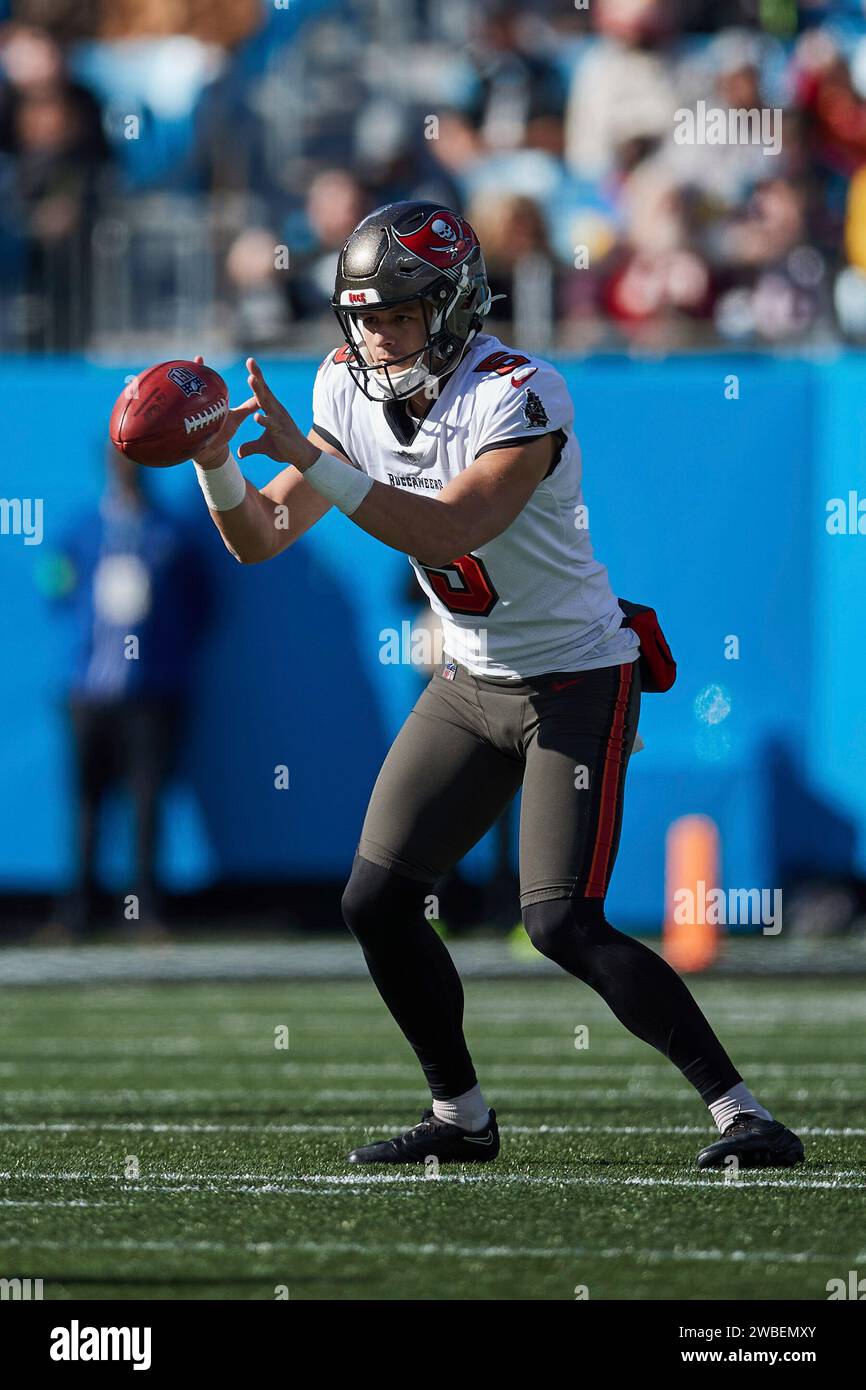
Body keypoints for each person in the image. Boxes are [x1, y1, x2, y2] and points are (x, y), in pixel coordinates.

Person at [188, 200, 804, 1171]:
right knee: (375, 899)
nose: (375, 336)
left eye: (397, 313)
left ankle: (742, 1113)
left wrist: (307, 455)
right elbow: (261, 538)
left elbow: (447, 532)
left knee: (558, 920)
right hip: (468, 677)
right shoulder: (346, 387)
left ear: (455, 305)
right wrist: (218, 465)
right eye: (363, 315)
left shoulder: (520, 391)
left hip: (572, 678)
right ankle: (460, 1115)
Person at [49, 445, 211, 936]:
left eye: (133, 460)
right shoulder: (83, 530)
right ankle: (79, 912)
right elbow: (55, 583)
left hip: (152, 694)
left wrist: (169, 651)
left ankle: (144, 911)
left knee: (145, 800)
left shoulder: (171, 533)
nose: (125, 470)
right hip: (89, 693)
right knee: (86, 802)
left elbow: (203, 605)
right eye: (118, 460)